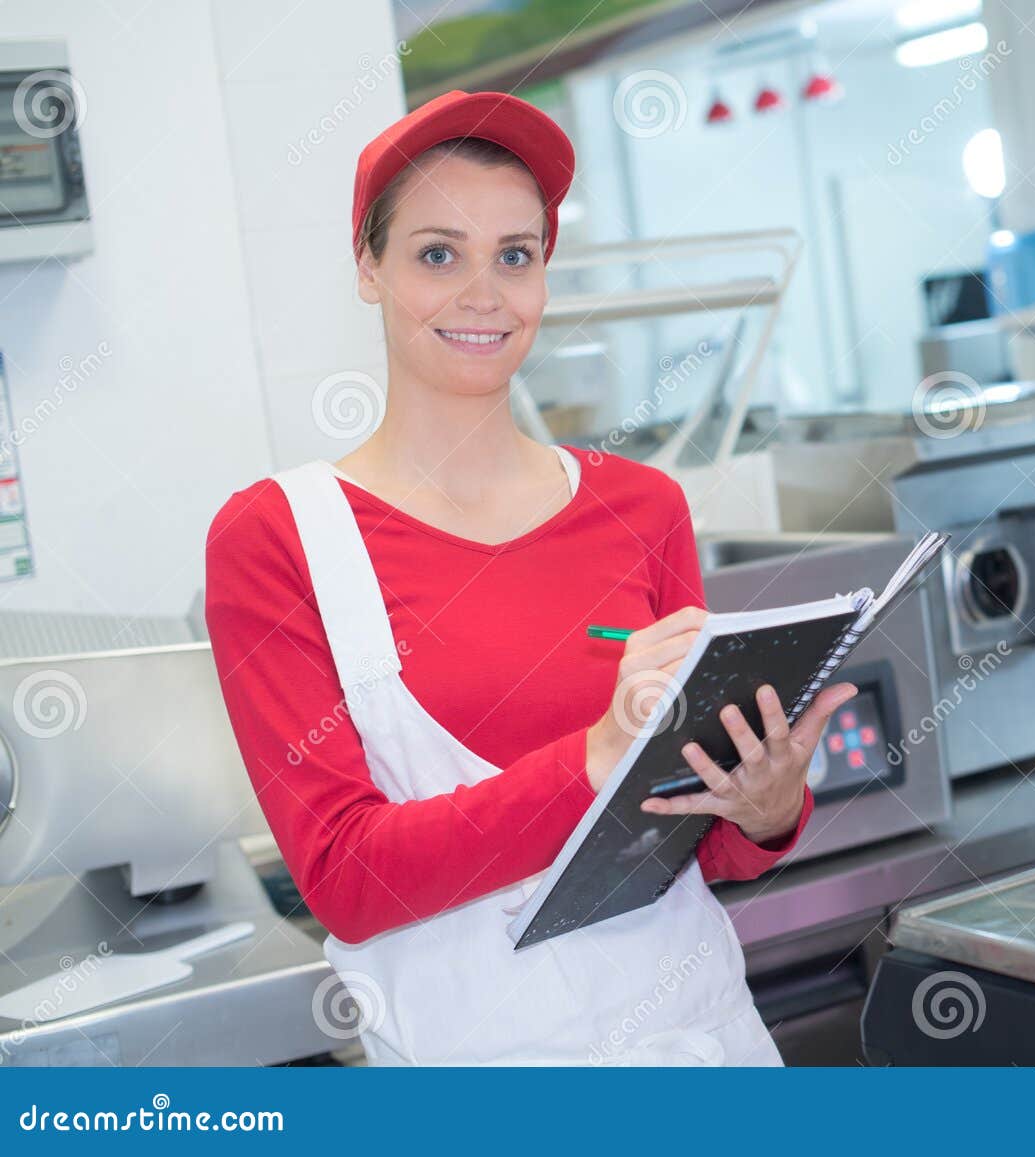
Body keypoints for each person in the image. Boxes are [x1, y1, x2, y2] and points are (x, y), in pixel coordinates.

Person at [204, 90, 856, 1065]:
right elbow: (343, 874)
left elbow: (704, 842)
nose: (484, 292)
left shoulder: (641, 506)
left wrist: (765, 805)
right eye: (437, 252)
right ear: (367, 267)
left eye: (516, 254)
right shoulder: (278, 537)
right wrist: (594, 755)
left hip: (705, 1048)